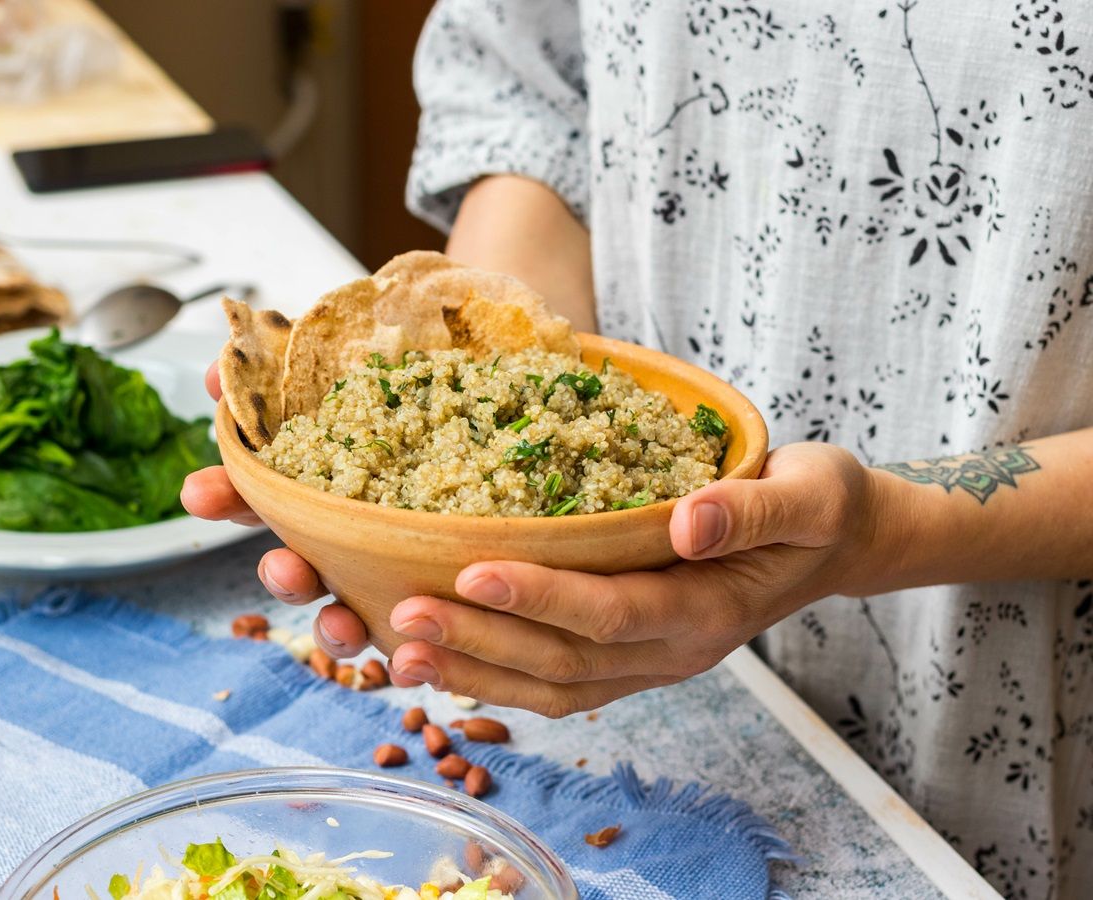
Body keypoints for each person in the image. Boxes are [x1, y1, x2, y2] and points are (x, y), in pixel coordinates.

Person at [182, 2, 1093, 895]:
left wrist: (881, 528)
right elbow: (526, 81)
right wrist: (496, 371)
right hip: (608, 698)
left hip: (982, 695)